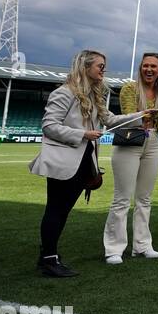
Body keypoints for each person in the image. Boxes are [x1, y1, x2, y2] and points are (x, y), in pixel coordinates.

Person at [29, 49, 121, 278]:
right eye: (100, 65)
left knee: (62, 212)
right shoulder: (64, 93)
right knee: (56, 210)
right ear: (85, 67)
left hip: (82, 162)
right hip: (66, 162)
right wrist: (82, 134)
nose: (103, 70)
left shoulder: (92, 96)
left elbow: (111, 120)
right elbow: (49, 126)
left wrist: (144, 115)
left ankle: (48, 256)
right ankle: (49, 259)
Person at [102, 51, 158, 264]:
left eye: (153, 66)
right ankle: (114, 249)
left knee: (144, 198)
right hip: (130, 140)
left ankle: (142, 245)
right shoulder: (130, 88)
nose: (149, 69)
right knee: (122, 198)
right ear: (141, 68)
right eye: (145, 65)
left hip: (153, 142)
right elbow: (132, 117)